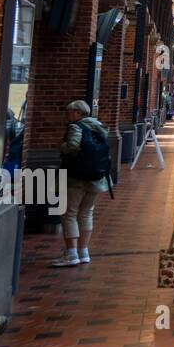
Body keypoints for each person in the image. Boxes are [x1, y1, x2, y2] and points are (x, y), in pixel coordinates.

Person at [51, 100, 111, 267]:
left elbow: (72, 147)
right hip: (97, 178)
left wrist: (61, 145)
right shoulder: (98, 126)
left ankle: (71, 253)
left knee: (69, 213)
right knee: (86, 213)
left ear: (78, 113)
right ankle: (83, 252)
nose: (67, 115)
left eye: (69, 112)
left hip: (76, 178)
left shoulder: (76, 127)